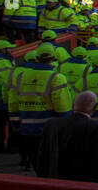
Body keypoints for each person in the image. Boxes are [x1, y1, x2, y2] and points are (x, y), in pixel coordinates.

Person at [9, 42, 72, 170]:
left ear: (37, 58)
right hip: (49, 126)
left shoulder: (21, 77)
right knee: (49, 159)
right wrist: (66, 123)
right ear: (54, 58)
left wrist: (15, 122)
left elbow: (13, 101)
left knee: (34, 157)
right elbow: (62, 103)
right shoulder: (57, 77)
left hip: (26, 125)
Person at [36, 90, 98, 183]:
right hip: (83, 183)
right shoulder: (97, 128)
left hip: (55, 182)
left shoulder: (52, 124)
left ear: (73, 105)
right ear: (95, 107)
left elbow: (42, 157)